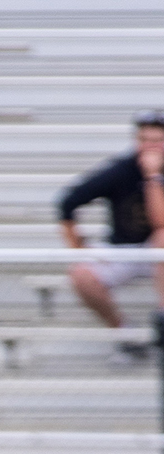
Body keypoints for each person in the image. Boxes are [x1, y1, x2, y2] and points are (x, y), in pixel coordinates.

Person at [56, 111, 164, 342]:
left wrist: (152, 177)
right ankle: (125, 333)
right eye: (144, 141)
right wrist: (78, 249)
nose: (149, 148)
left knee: (163, 237)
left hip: (159, 253)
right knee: (80, 274)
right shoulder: (122, 170)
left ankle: (162, 321)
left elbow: (160, 222)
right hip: (123, 249)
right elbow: (67, 203)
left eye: (156, 142)